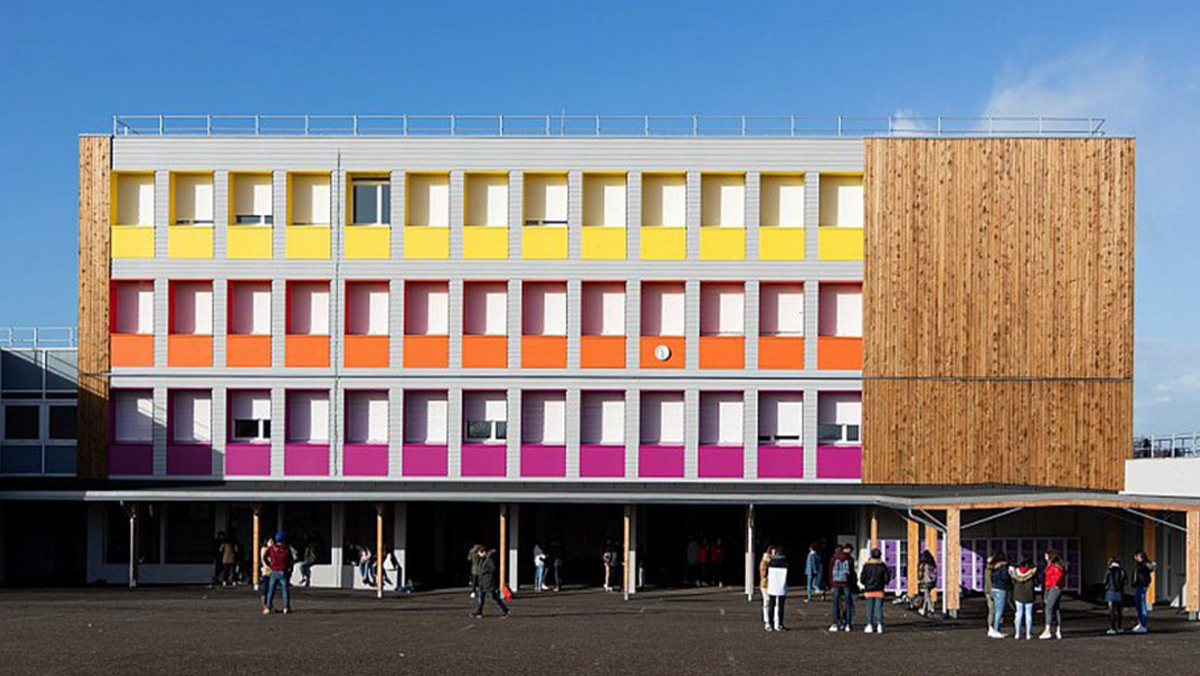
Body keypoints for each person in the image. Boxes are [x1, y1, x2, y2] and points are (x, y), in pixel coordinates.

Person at [859, 547, 892, 634]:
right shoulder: (882, 566)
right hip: (879, 589)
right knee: (879, 608)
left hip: (869, 589)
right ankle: (880, 625)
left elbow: (862, 579)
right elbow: (887, 578)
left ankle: (869, 625)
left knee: (869, 608)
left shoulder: (866, 566)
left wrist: (865, 584)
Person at [471, 546, 510, 618]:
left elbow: (493, 568)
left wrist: (484, 572)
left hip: (488, 582)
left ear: (483, 552)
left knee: (493, 597)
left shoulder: (489, 560)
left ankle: (505, 610)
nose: (479, 555)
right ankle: (479, 612)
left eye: (479, 553)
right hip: (483, 582)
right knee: (481, 597)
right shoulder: (483, 560)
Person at [263, 533, 293, 615]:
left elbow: (264, 557)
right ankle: (286, 607)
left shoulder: (271, 549)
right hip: (283, 571)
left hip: (274, 571)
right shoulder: (286, 549)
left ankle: (268, 607)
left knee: (271, 590)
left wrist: (269, 564)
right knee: (285, 590)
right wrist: (290, 570)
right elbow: (290, 561)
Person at [1039, 549, 1066, 640]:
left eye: (1046, 555)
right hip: (1054, 587)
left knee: (1048, 608)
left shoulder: (1054, 566)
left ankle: (1048, 629)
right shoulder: (1053, 565)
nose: (1045, 557)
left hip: (1053, 588)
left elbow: (1058, 575)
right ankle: (1058, 630)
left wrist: (1053, 584)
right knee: (1056, 608)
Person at [829, 543, 855, 632]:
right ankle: (848, 624)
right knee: (848, 603)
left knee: (836, 603)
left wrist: (831, 582)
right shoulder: (850, 559)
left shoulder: (834, 557)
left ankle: (835, 623)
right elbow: (851, 573)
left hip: (836, 583)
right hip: (846, 584)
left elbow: (830, 570)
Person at [1010, 557, 1037, 640]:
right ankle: (1028, 634)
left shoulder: (1015, 572)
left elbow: (1013, 582)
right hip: (1029, 594)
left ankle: (1017, 633)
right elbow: (1036, 582)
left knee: (1018, 613)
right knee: (1028, 614)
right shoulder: (1033, 572)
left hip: (1018, 593)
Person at [1131, 551, 1156, 633]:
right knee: (1138, 604)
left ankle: (1143, 624)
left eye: (1137, 556)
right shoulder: (1141, 565)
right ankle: (1140, 623)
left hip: (1141, 585)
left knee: (1141, 604)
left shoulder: (1143, 565)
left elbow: (1142, 569)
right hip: (1139, 585)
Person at [988, 551, 1011, 638]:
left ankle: (992, 628)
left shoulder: (993, 567)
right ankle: (996, 629)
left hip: (994, 588)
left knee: (995, 610)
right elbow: (1005, 577)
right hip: (1001, 589)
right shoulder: (1004, 567)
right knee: (999, 611)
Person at [765, 546, 789, 631]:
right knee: (781, 606)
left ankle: (770, 624)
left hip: (772, 585)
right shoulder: (786, 562)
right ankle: (780, 624)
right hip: (782, 586)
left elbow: (766, 574)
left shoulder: (771, 562)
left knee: (772, 604)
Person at [1104, 557, 1127, 635]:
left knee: (1112, 611)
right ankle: (1120, 627)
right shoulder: (1122, 571)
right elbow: (1126, 581)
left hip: (1110, 591)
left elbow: (1104, 581)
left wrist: (1107, 587)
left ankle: (1113, 628)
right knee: (1119, 610)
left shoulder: (1109, 571)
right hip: (1119, 591)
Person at [759, 545, 775, 631]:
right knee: (767, 601)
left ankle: (772, 621)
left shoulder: (773, 561)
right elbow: (763, 574)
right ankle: (767, 621)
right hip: (765, 585)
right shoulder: (765, 561)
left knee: (772, 602)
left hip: (773, 584)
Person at [917, 549, 938, 618]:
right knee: (927, 595)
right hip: (932, 581)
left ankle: (930, 608)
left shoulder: (924, 565)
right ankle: (924, 608)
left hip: (926, 581)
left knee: (927, 595)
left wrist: (919, 580)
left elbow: (921, 574)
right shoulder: (932, 564)